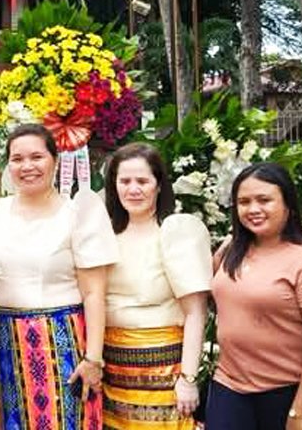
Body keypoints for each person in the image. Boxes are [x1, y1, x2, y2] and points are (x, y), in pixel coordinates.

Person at [0, 123, 117, 429]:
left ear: (55, 161)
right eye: (17, 159)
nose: (27, 166)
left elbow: (94, 293)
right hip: (6, 340)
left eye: (37, 157)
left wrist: (93, 359)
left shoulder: (76, 213)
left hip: (61, 340)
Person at [205, 162, 302, 430]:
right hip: (228, 385)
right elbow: (217, 300)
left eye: (264, 200)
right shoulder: (230, 251)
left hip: (287, 392)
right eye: (244, 201)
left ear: (288, 205)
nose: (253, 209)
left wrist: (297, 414)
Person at [102, 143, 212, 430]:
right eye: (124, 181)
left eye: (142, 181)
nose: (133, 189)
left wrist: (188, 379)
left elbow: (196, 313)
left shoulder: (175, 232)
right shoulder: (105, 233)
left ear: (159, 185)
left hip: (163, 369)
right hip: (112, 371)